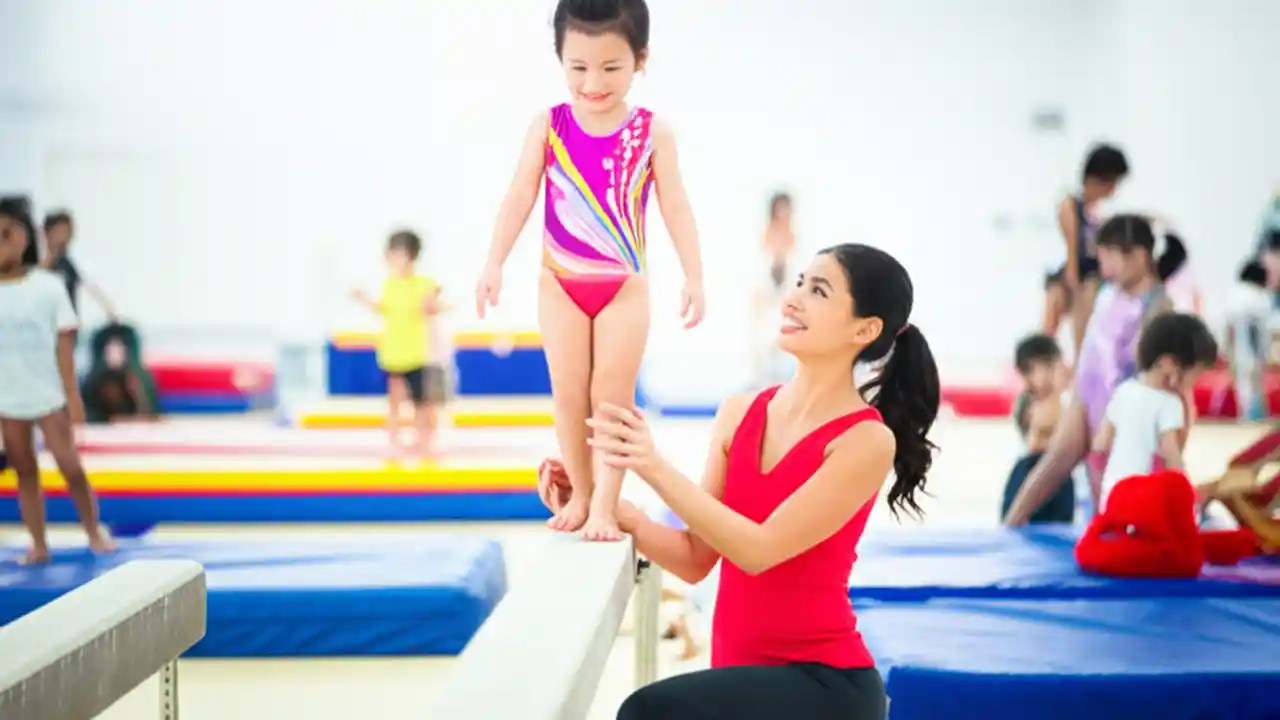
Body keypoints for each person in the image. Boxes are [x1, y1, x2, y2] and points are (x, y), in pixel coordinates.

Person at [542, 243, 938, 719]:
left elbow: (758, 550)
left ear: (865, 329)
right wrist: (604, 508)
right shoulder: (738, 413)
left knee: (649, 711)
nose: (792, 300)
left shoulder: (866, 440)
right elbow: (695, 558)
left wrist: (652, 463)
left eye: (819, 291)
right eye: (798, 284)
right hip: (744, 678)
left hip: (825, 685)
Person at [475, 0, 706, 541]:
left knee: (611, 397)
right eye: (577, 68)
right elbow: (519, 197)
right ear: (560, 60)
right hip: (559, 285)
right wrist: (493, 262)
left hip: (623, 288)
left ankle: (606, 503)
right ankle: (580, 494)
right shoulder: (549, 125)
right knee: (569, 394)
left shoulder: (651, 132)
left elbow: (676, 206)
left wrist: (694, 277)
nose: (593, 82)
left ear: (640, 60)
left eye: (610, 67)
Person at [1005, 215, 1187, 526]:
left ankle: (1108, 531)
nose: (1103, 265)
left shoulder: (1158, 302)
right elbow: (1089, 343)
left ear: (1138, 255)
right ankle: (1010, 523)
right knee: (1056, 461)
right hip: (1087, 392)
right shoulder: (1106, 292)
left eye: (1108, 256)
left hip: (1121, 400)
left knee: (1105, 474)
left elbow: (1148, 361)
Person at [0, 200, 114, 564]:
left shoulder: (47, 286)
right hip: (8, 395)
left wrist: (72, 397)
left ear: (25, 238)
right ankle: (39, 543)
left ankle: (93, 530)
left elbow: (64, 347)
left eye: (7, 234)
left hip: (47, 393)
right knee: (24, 471)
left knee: (70, 465)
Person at [1090, 313, 1217, 512]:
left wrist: (1100, 496)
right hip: (1144, 504)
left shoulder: (1123, 391)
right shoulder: (1169, 403)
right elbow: (1171, 457)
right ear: (1169, 364)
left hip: (1112, 498)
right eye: (1197, 373)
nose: (1196, 381)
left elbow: (1100, 446)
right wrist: (1190, 498)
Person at [351, 230, 448, 459]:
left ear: (412, 258)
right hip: (392, 354)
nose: (394, 262)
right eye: (391, 256)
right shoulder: (390, 285)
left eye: (399, 256)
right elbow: (383, 308)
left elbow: (434, 307)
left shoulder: (424, 284)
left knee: (421, 404)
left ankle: (423, 440)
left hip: (417, 355)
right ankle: (394, 442)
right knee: (394, 401)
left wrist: (434, 304)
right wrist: (363, 298)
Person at [1042, 144, 1129, 358]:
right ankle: (1042, 358)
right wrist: (1073, 278)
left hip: (1097, 278)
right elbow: (1073, 248)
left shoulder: (1100, 213)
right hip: (1078, 276)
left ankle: (1085, 362)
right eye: (1113, 183)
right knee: (1059, 301)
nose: (1113, 190)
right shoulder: (1070, 205)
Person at [1001, 334, 1074, 524]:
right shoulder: (1032, 406)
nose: (1028, 381)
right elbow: (1043, 425)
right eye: (1026, 373)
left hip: (1058, 479)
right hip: (1032, 472)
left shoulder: (1065, 402)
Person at [751, 192, 798, 388]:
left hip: (786, 295)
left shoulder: (794, 236)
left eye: (786, 208)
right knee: (763, 342)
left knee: (785, 342)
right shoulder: (764, 235)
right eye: (780, 208)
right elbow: (757, 269)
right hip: (766, 295)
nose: (783, 213)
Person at [41, 210, 119, 320]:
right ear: (46, 233)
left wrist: (110, 310)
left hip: (68, 326)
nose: (66, 237)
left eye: (69, 232)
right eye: (61, 232)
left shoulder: (68, 265)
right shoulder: (40, 268)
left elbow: (90, 286)